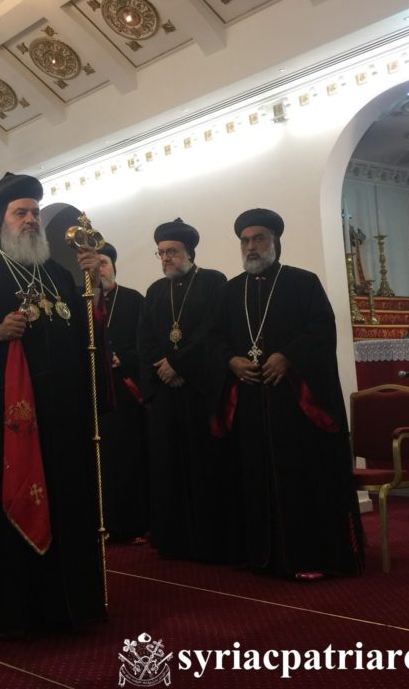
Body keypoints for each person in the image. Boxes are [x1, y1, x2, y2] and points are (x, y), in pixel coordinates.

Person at [0, 172, 107, 638]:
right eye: (20, 213)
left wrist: (100, 292)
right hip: (2, 427)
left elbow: (86, 341)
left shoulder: (57, 273)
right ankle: (10, 612)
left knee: (68, 505)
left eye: (34, 213)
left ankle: (68, 604)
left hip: (62, 423)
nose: (30, 220)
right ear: (0, 220)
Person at [210, 209, 363, 579]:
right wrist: (231, 362)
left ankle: (309, 555)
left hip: (295, 407)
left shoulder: (302, 283)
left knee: (301, 481)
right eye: (245, 240)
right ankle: (260, 555)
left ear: (275, 241)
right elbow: (212, 341)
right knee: (254, 478)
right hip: (250, 404)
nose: (251, 246)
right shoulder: (230, 292)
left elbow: (322, 331)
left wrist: (288, 357)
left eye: (259, 238)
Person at [138, 218, 235, 563]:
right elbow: (145, 339)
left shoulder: (212, 282)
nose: (166, 258)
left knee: (204, 463)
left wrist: (179, 365)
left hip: (198, 391)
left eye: (172, 251)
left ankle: (209, 540)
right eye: (161, 252)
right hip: (166, 394)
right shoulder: (154, 291)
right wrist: (161, 368)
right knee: (168, 467)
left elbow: (213, 330)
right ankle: (173, 539)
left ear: (189, 252)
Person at [97, 242, 149, 544]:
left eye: (103, 262)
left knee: (126, 458)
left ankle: (130, 524)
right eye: (94, 265)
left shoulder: (132, 300)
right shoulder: (82, 304)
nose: (99, 269)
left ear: (114, 266)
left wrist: (122, 358)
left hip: (125, 391)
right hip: (96, 393)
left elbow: (144, 342)